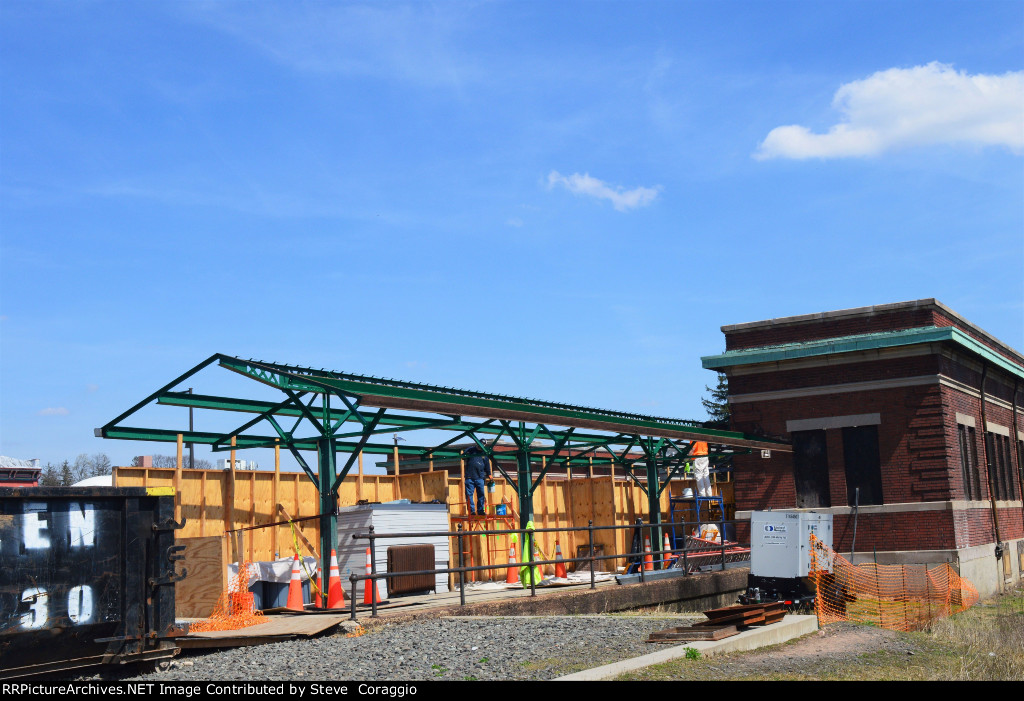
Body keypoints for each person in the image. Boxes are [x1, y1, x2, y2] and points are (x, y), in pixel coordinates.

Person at [463, 445, 493, 516]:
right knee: (469, 495)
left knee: (481, 494)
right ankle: (471, 511)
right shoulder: (471, 450)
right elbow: (463, 456)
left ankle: (480, 510)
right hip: (470, 477)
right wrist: (470, 448)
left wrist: (489, 474)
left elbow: (487, 465)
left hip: (480, 477)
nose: (480, 447)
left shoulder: (484, 453)